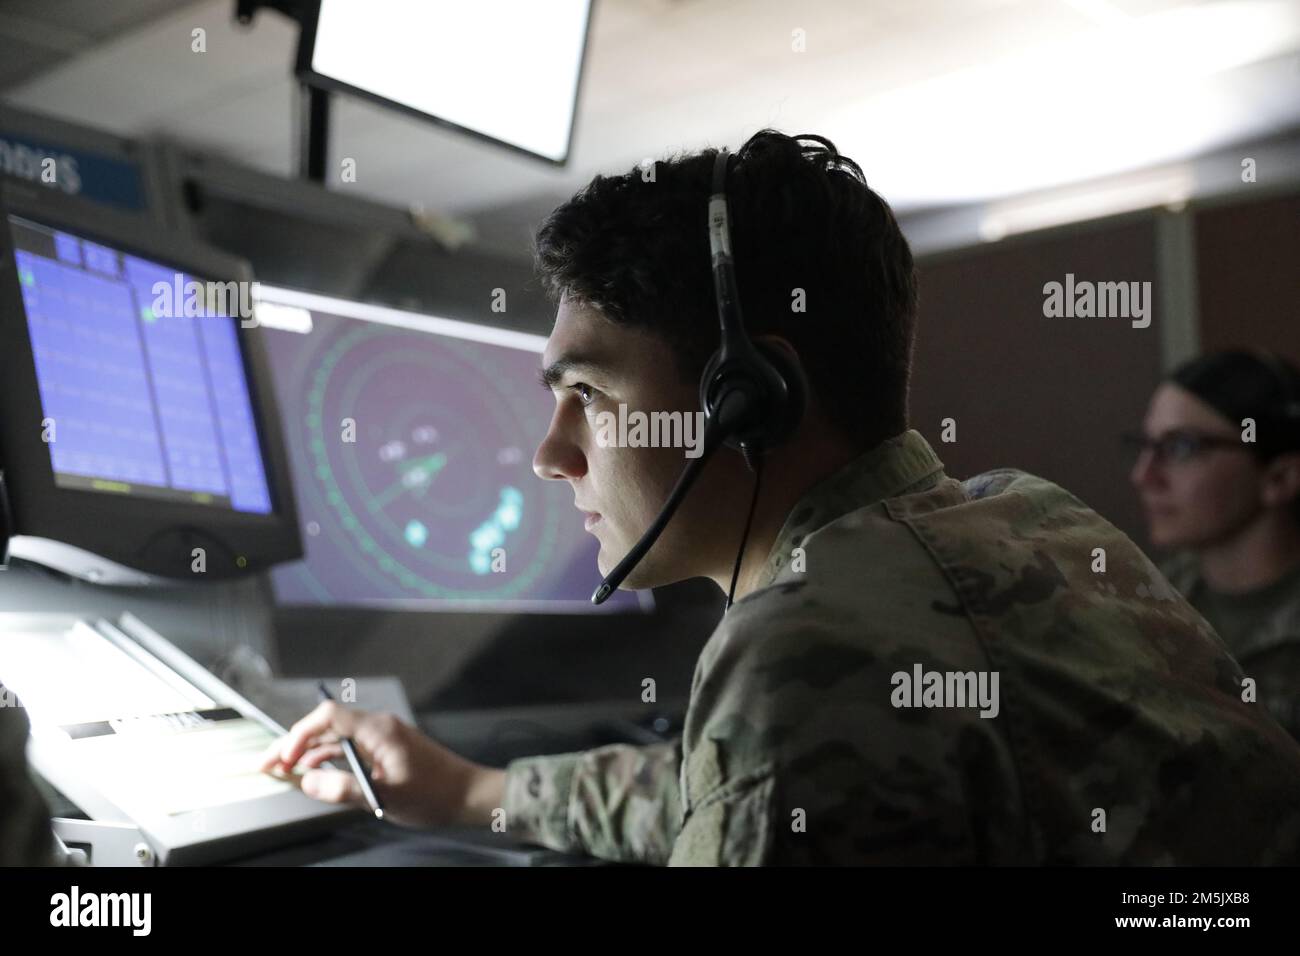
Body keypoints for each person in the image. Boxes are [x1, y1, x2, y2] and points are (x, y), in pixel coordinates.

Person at [261, 130, 1300, 865]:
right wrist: (468, 789)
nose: (550, 453)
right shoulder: (1030, 514)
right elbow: (718, 789)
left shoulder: (808, 641)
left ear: (745, 396)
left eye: (587, 391)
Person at [1130, 350, 1300, 739]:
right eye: (1144, 444)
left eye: (1181, 447)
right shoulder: (1145, 598)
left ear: (1280, 478)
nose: (1144, 475)